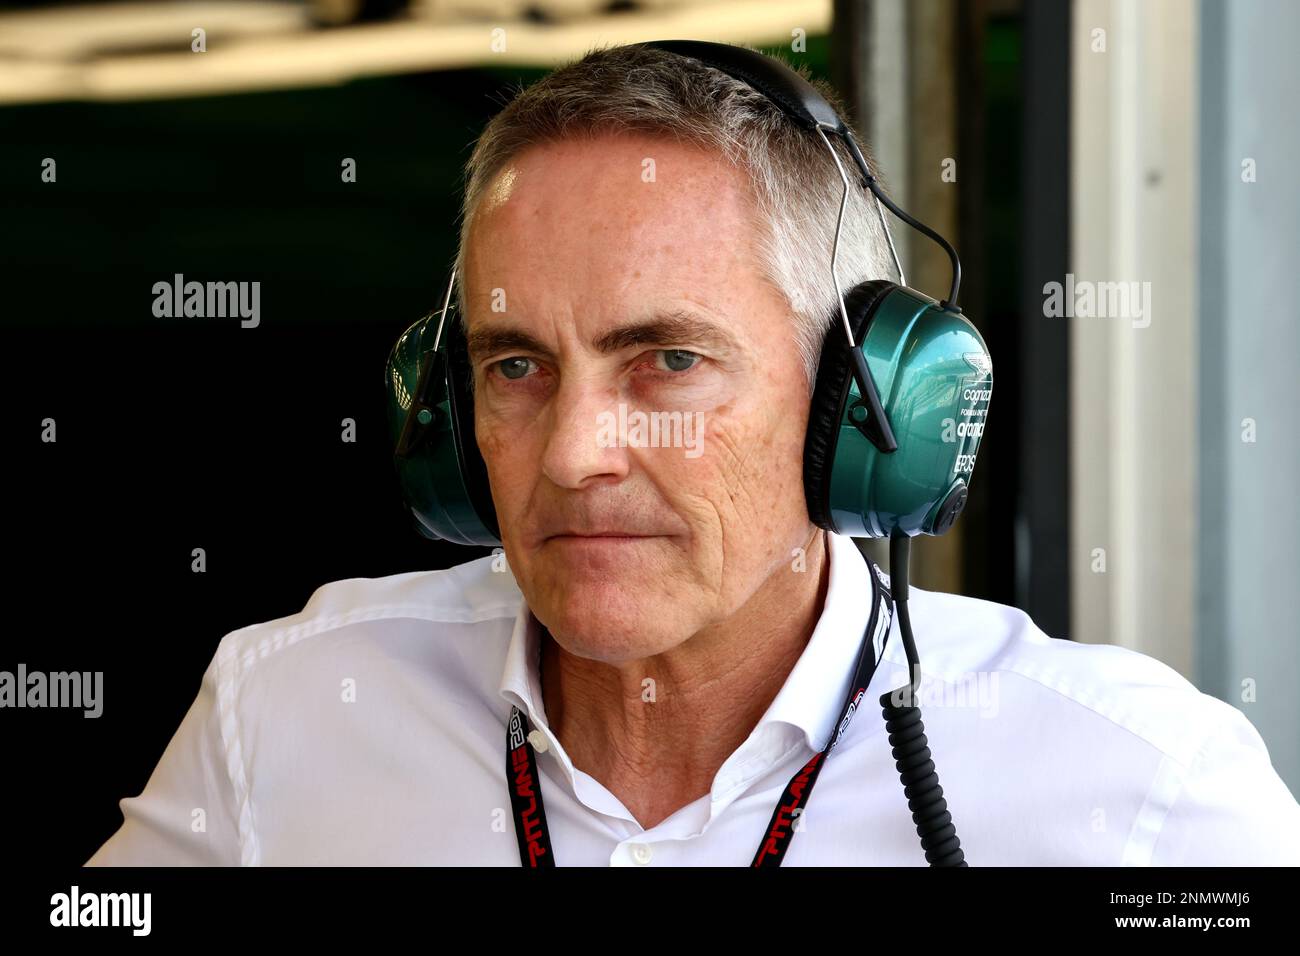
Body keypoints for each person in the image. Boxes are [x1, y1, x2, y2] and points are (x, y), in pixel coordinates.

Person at [87, 42, 1300, 866]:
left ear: (860, 399)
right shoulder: (284, 714)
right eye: (515, 366)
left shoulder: (1142, 796)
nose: (572, 456)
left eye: (666, 359)